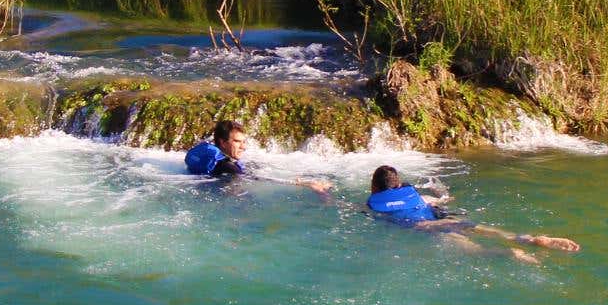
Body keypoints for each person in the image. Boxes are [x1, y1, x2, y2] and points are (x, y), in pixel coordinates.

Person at [365, 165, 580, 260]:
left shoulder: (374, 204)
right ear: (399, 183)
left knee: (475, 251)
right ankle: (530, 239)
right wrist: (442, 193)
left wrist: (328, 195)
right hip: (446, 216)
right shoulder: (415, 195)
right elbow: (438, 200)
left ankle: (509, 254)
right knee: (486, 230)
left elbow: (350, 210)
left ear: (374, 188)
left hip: (428, 227)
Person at [184, 119, 332, 193]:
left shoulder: (212, 150)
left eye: (244, 141)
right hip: (220, 188)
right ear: (222, 142)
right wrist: (303, 184)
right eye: (237, 142)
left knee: (256, 165)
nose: (244, 146)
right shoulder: (228, 167)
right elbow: (261, 179)